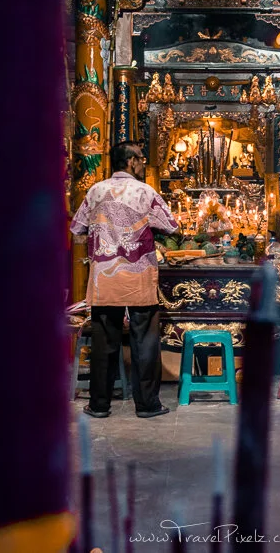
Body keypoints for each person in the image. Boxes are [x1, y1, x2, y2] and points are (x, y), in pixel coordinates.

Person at [71, 141, 179, 418]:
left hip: (104, 278)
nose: (143, 164)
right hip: (138, 275)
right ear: (131, 162)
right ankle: (147, 405)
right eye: (141, 159)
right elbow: (171, 226)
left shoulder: (95, 191)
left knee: (104, 343)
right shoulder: (145, 192)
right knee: (145, 342)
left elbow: (77, 229)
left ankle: (99, 405)